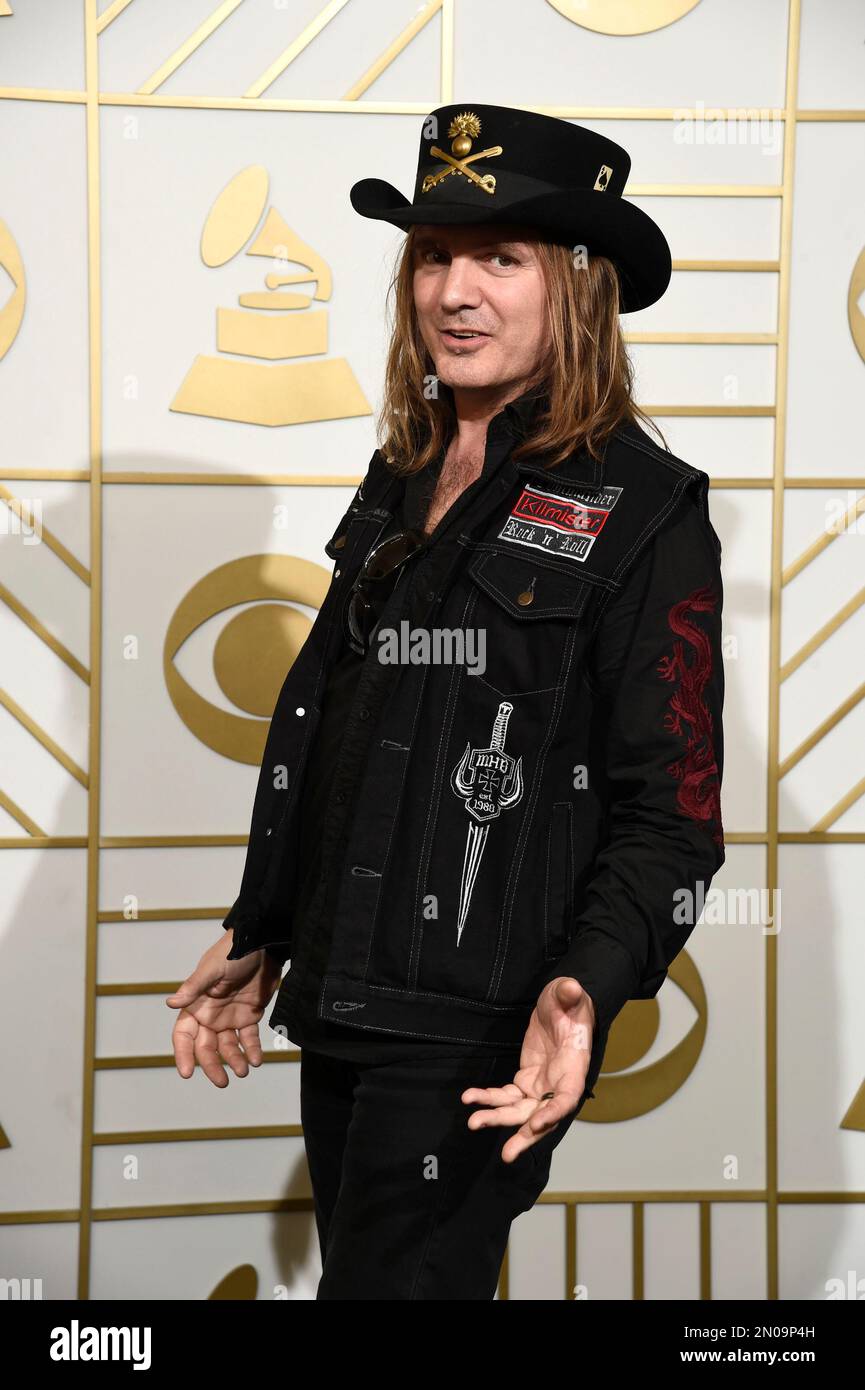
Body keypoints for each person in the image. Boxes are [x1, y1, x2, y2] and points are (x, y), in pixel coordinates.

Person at [167, 104, 726, 1300]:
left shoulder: (647, 509)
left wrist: (587, 983)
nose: (452, 291)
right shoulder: (405, 469)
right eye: (432, 254)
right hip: (342, 999)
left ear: (577, 286)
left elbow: (672, 814)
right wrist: (263, 927)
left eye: (499, 258)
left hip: (478, 1034)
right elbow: (343, 725)